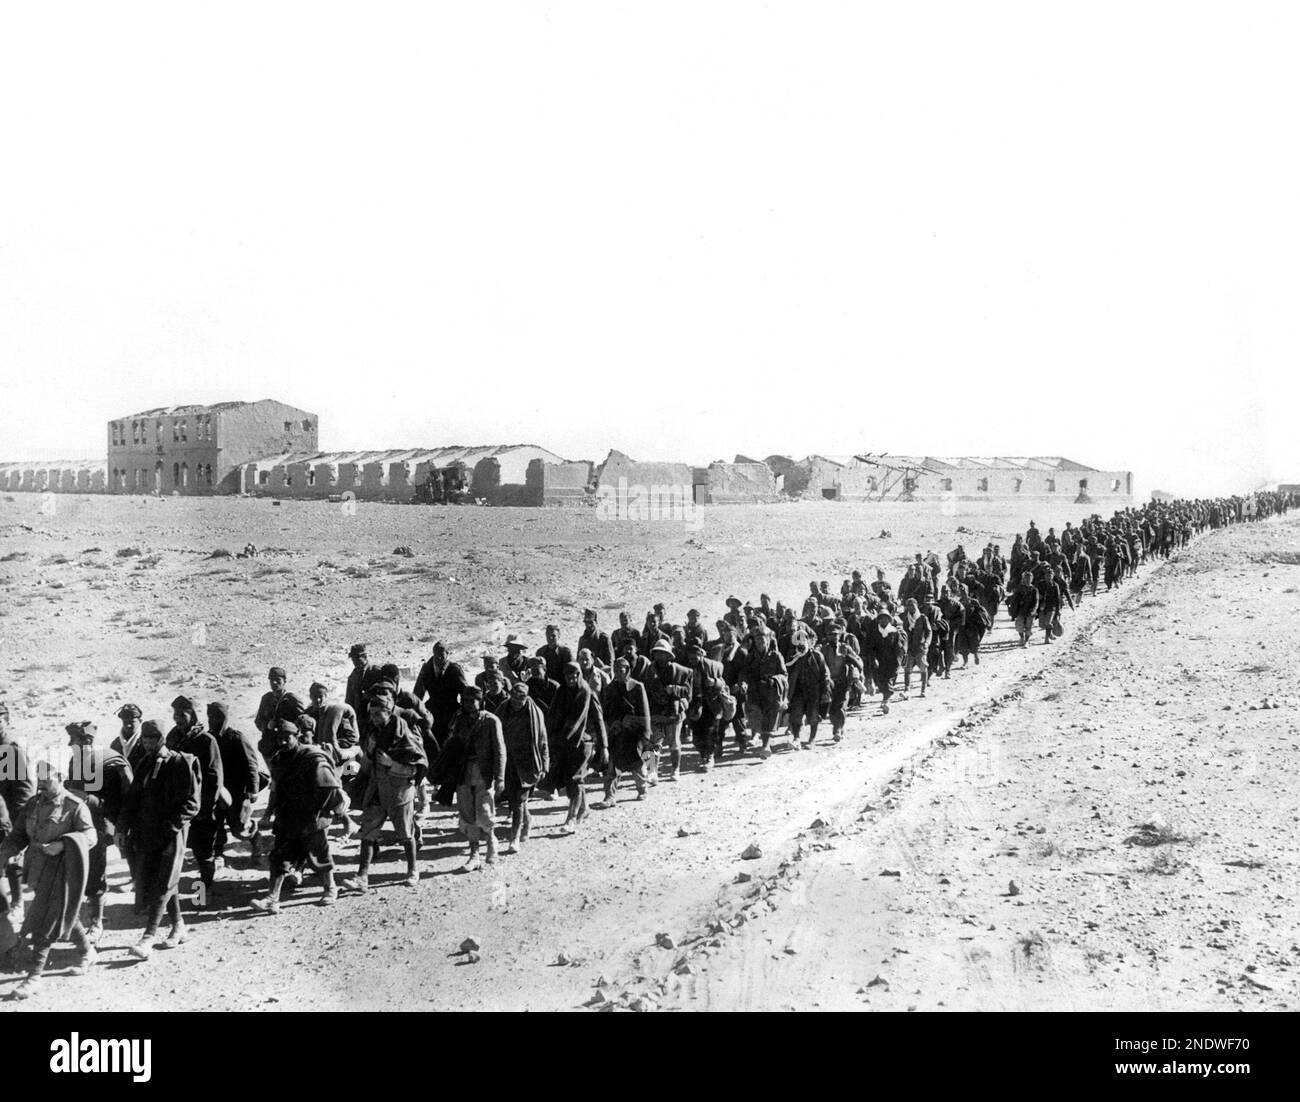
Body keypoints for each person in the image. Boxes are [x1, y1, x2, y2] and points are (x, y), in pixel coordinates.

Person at [0, 761, 98, 999]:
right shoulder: (33, 805)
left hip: (64, 870)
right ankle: (87, 951)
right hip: (39, 870)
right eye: (38, 778)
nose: (41, 783)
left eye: (46, 778)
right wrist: (4, 854)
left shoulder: (74, 806)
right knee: (63, 914)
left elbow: (91, 836)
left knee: (45, 919)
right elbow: (19, 835)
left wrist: (63, 844)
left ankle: (33, 977)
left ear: (61, 777)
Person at [119, 720, 200, 960]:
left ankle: (148, 937)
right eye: (145, 739)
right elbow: (132, 798)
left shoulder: (181, 762)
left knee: (163, 882)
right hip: (147, 835)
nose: (148, 743)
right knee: (160, 880)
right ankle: (179, 926)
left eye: (153, 738)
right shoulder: (145, 762)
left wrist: (170, 827)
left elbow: (192, 804)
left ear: (162, 738)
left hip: (171, 836)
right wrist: (123, 827)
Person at [251, 719, 343, 913]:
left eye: (287, 738)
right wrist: (269, 813)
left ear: (297, 736)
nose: (283, 742)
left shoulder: (312, 757)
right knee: (279, 856)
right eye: (279, 739)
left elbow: (328, 787)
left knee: (318, 853)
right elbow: (276, 790)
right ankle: (272, 899)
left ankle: (330, 888)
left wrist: (323, 812)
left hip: (311, 816)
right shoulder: (278, 760)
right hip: (287, 814)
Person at [345, 682, 426, 892]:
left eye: (377, 714)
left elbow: (416, 767)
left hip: (400, 791)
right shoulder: (373, 734)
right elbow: (366, 762)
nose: (373, 718)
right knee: (368, 832)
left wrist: (393, 763)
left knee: (405, 833)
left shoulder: (405, 734)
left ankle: (412, 870)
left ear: (388, 712)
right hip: (378, 789)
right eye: (370, 714)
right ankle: (362, 877)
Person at [64, 721, 131, 944]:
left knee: (96, 875)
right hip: (79, 826)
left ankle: (97, 922)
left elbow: (125, 800)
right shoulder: (77, 760)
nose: (69, 745)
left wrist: (87, 799)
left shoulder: (110, 762)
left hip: (100, 826)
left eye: (73, 741)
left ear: (87, 742)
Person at [166, 695, 224, 907]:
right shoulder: (172, 737)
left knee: (203, 855)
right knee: (179, 852)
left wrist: (205, 808)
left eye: (183, 714)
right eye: (176, 714)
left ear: (193, 715)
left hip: (201, 809)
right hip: (179, 807)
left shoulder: (206, 740)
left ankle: (202, 895)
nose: (178, 718)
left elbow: (214, 778)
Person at [207, 702, 266, 869]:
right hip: (217, 791)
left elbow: (251, 765)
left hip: (238, 792)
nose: (214, 721)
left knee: (239, 828)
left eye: (218, 717)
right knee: (215, 824)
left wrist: (253, 790)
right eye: (211, 717)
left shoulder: (236, 738)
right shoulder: (208, 739)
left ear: (226, 718)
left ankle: (256, 839)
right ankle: (218, 854)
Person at [545, 664, 603, 832]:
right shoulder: (561, 692)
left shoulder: (586, 692)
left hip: (582, 741)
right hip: (564, 742)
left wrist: (604, 746)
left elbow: (595, 720)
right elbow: (553, 715)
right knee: (571, 780)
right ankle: (584, 809)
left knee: (576, 779)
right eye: (567, 676)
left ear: (579, 675)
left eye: (574, 676)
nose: (571, 680)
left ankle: (571, 818)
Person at [495, 680, 548, 852]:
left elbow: (542, 740)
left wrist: (545, 764)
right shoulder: (503, 709)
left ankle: (514, 837)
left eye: (521, 700)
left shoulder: (535, 713)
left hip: (527, 762)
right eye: (514, 699)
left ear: (526, 698)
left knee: (518, 800)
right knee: (514, 799)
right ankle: (528, 820)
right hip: (508, 761)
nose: (517, 703)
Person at [598, 657, 653, 804]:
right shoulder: (610, 689)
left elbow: (645, 714)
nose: (617, 672)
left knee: (638, 764)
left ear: (627, 670)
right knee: (612, 766)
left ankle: (642, 790)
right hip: (617, 733)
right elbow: (606, 712)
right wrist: (613, 724)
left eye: (620, 669)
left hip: (635, 734)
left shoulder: (637, 687)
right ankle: (609, 796)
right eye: (615, 669)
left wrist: (645, 735)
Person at [0, 702, 35, 929]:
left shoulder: (9, 750)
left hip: (9, 814)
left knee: (11, 859)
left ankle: (18, 901)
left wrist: (18, 824)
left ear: (6, 719)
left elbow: (23, 790)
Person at [643, 640, 692, 780]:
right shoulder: (649, 670)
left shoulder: (679, 671)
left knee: (674, 743)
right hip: (655, 712)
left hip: (673, 713)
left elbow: (688, 692)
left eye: (663, 654)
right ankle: (652, 773)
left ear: (668, 656)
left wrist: (674, 689)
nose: (660, 656)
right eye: (657, 653)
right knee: (652, 744)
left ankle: (675, 769)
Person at [739, 631, 788, 758]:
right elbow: (744, 673)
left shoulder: (776, 656)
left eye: (763, 640)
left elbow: (784, 675)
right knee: (757, 719)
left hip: (771, 693)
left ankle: (766, 746)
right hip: (755, 693)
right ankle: (764, 744)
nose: (760, 643)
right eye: (758, 641)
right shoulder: (751, 657)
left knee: (769, 720)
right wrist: (743, 683)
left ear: (768, 641)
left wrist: (774, 679)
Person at [413, 642, 469, 751]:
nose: (439, 657)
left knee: (448, 743)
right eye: (436, 654)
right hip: (432, 710)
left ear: (447, 654)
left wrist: (464, 712)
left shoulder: (454, 669)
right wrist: (415, 709)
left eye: (442, 655)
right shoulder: (426, 669)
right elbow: (418, 691)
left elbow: (464, 692)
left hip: (450, 711)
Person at [685, 641, 731, 770]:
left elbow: (723, 683)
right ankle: (702, 755)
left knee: (710, 732)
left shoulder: (712, 667)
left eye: (695, 658)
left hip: (711, 704)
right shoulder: (687, 668)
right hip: (695, 705)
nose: (693, 660)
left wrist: (714, 682)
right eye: (691, 658)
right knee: (697, 734)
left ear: (701, 655)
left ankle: (710, 757)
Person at [785, 629, 829, 749]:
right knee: (796, 715)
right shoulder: (793, 657)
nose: (801, 647)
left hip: (813, 691)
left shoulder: (817, 656)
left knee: (814, 716)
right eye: (798, 645)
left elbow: (825, 674)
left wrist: (825, 691)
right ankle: (796, 738)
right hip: (798, 691)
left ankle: (812, 739)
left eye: (803, 644)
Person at [862, 611, 900, 714]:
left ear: (889, 620)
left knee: (888, 680)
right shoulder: (874, 633)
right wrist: (873, 658)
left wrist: (898, 660)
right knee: (879, 681)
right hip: (878, 661)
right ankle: (885, 696)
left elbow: (898, 647)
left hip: (891, 661)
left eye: (886, 618)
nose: (883, 620)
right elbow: (870, 647)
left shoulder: (894, 632)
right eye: (881, 618)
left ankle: (886, 700)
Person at [110, 703, 148, 773]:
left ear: (140, 721)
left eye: (132, 722)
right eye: (125, 721)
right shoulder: (116, 744)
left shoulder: (146, 741)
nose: (128, 725)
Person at [1007, 571, 1040, 647]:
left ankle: (1026, 641)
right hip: (1020, 611)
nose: (1027, 580)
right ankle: (1022, 637)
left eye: (1029, 578)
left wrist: (1033, 610)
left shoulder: (1034, 589)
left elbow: (1036, 602)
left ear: (1032, 579)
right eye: (1026, 578)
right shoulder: (1019, 589)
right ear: (1023, 579)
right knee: (1019, 626)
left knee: (1029, 627)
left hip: (1030, 611)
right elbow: (1014, 598)